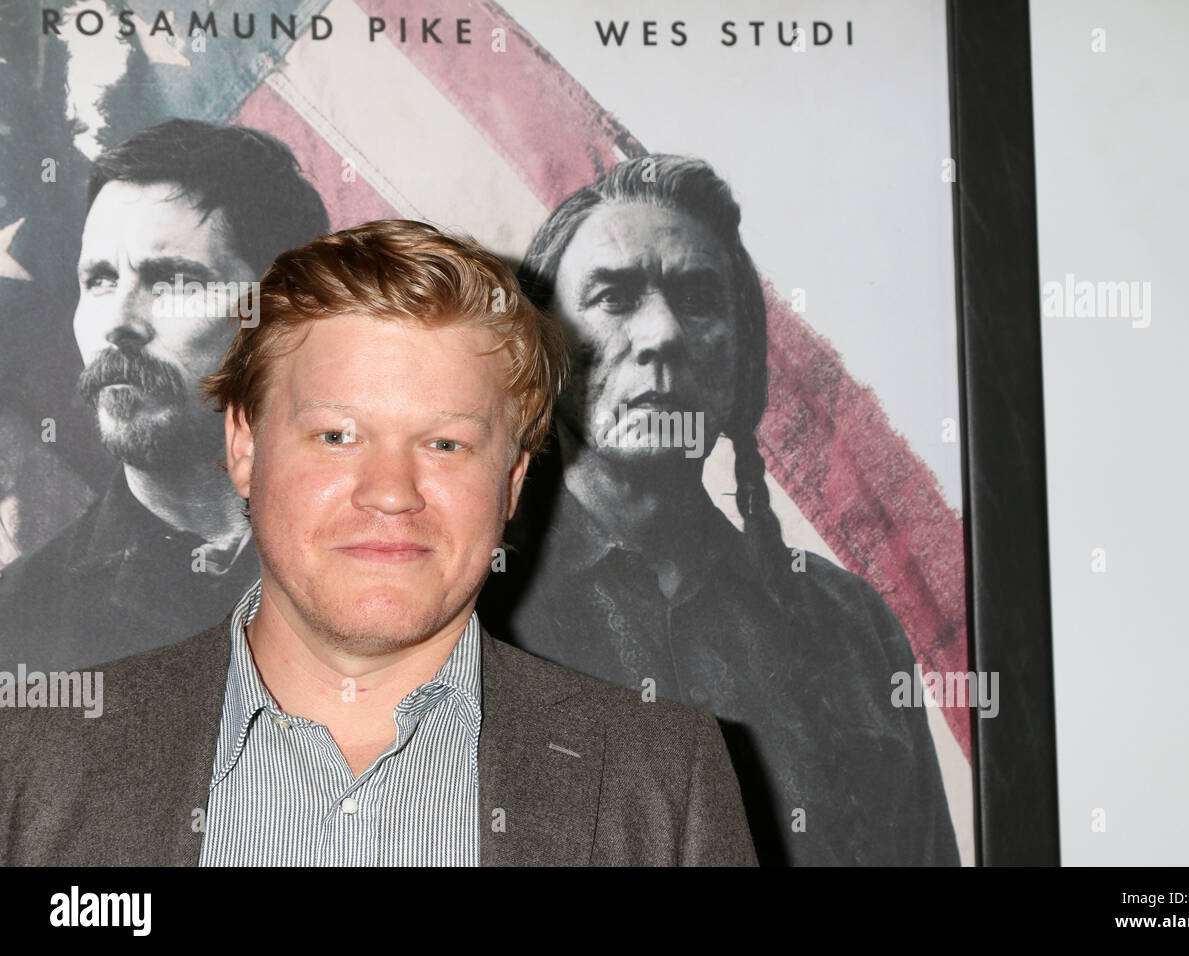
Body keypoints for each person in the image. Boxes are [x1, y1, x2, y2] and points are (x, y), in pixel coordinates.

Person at [0, 218, 757, 867]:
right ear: (244, 448)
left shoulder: (664, 787)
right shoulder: (34, 768)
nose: (390, 491)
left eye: (447, 443)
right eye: (336, 434)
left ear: (514, 481)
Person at [477, 154, 960, 866]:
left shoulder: (848, 629)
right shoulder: (459, 609)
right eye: (613, 297)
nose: (661, 335)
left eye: (698, 299)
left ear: (739, 361)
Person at [0, 119, 329, 671]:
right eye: (100, 280)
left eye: (173, 280)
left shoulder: (430, 559)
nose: (118, 324)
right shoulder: (17, 629)